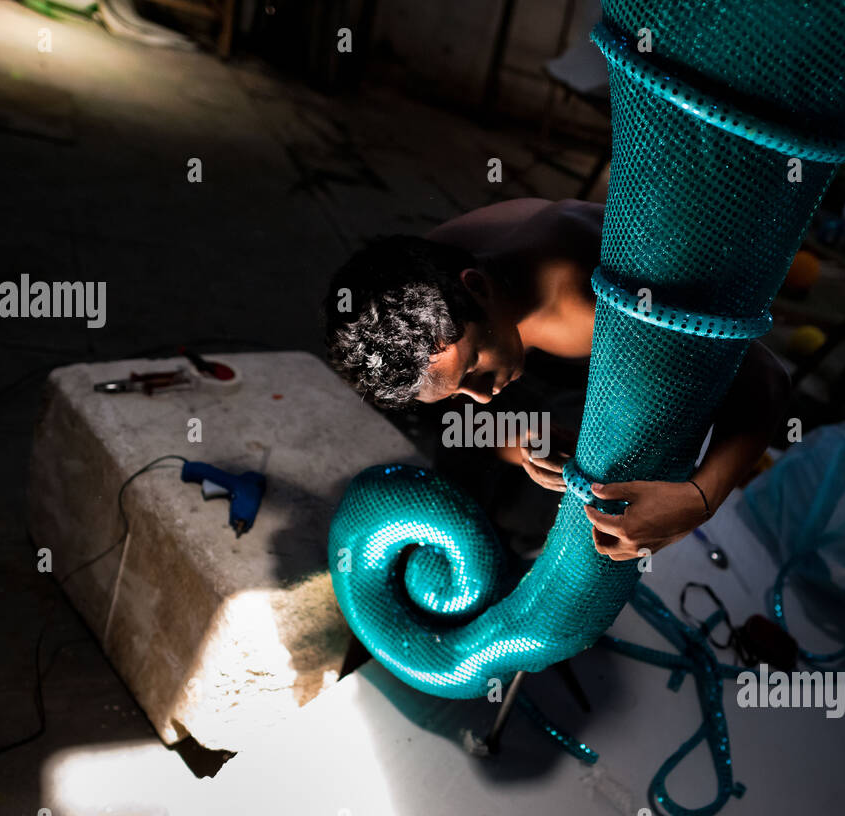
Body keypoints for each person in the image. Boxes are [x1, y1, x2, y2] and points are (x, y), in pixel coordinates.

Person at [324, 197, 790, 560]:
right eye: (461, 386)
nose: (481, 398)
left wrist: (699, 498)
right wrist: (519, 441)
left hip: (610, 358)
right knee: (469, 453)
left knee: (591, 492)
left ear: (478, 287)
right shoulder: (425, 280)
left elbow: (765, 377)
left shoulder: (596, 309)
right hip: (524, 336)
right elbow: (465, 394)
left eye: (474, 372)